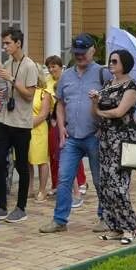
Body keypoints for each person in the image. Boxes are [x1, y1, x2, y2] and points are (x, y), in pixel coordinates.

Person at [42, 34, 109, 234]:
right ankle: (59, 220)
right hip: (71, 136)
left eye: (83, 53)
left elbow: (111, 101)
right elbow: (61, 103)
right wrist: (61, 127)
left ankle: (105, 217)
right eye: (76, 53)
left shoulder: (103, 74)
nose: (79, 56)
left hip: (95, 135)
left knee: (99, 179)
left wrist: (103, 125)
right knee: (64, 178)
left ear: (92, 50)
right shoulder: (66, 76)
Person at [0, 27, 40, 223]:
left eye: (8, 43)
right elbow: (5, 92)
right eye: (3, 43)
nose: (5, 47)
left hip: (21, 123)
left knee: (21, 165)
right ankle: (2, 205)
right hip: (5, 120)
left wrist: (11, 79)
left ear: (18, 43)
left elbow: (29, 95)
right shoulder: (7, 63)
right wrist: (0, 87)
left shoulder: (29, 66)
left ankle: (21, 207)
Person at [92, 49, 136, 244]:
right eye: (110, 61)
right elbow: (96, 112)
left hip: (122, 140)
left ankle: (129, 228)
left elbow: (119, 112)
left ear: (124, 64)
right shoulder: (107, 85)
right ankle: (115, 227)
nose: (111, 64)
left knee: (119, 185)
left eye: (115, 61)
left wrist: (99, 111)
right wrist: (95, 103)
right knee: (105, 185)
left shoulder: (132, 86)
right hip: (105, 139)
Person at [29, 62, 55, 202]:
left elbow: (44, 114)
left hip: (38, 129)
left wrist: (28, 125)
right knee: (26, 160)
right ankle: (29, 188)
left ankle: (42, 190)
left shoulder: (44, 93)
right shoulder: (25, 90)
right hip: (23, 128)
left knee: (40, 160)